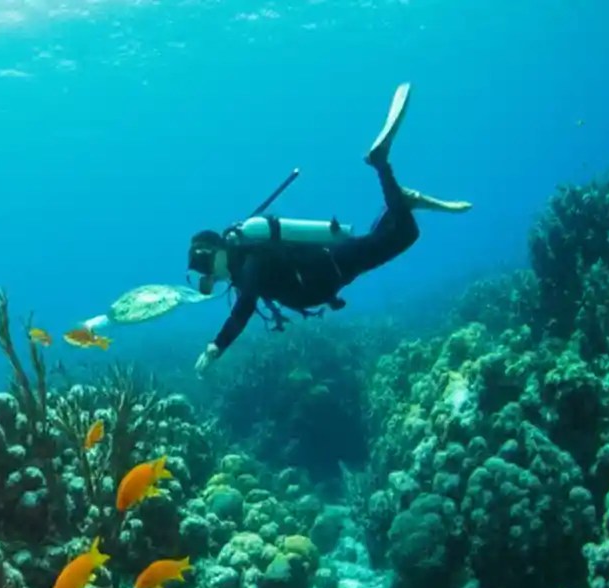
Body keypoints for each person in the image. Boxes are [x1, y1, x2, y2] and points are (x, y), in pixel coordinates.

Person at [189, 83, 472, 374]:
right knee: (388, 235)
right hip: (334, 270)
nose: (212, 277)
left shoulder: (249, 263)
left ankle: (382, 165)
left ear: (220, 249)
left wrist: (217, 346)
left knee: (406, 235)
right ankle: (400, 202)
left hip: (335, 263)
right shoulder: (243, 265)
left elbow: (244, 308)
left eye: (209, 266)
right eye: (206, 276)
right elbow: (249, 297)